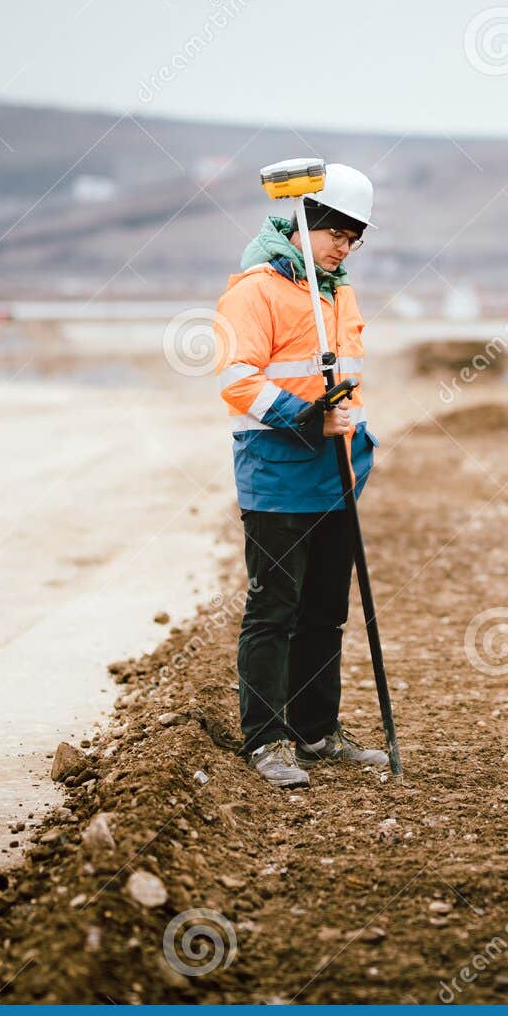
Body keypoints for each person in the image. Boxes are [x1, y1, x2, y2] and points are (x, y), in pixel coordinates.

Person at [211, 163, 390, 788]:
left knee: (324, 612)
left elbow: (348, 382)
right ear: (302, 219)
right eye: (335, 230)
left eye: (354, 235)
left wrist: (355, 440)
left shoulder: (339, 292)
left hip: (333, 477)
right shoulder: (254, 291)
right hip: (277, 474)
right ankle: (266, 740)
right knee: (273, 610)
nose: (344, 245)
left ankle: (316, 732)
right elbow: (237, 382)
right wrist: (308, 420)